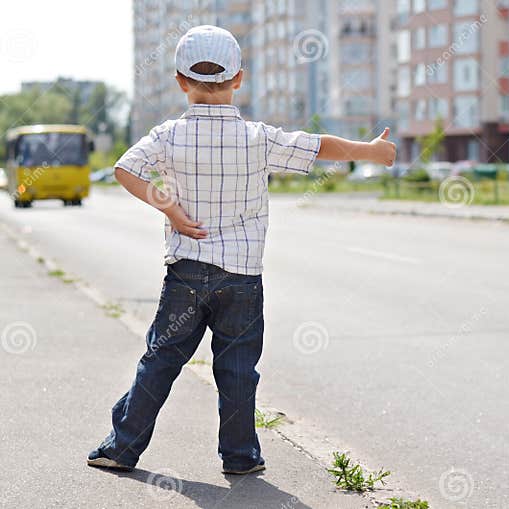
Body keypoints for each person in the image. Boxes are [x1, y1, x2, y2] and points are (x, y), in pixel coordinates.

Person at [87, 25, 396, 475]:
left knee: (161, 360)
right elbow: (318, 147)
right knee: (237, 371)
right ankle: (240, 456)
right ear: (239, 79)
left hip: (187, 274)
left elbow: (123, 168)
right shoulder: (259, 138)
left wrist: (171, 210)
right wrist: (369, 151)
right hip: (243, 280)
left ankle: (122, 448)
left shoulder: (168, 134)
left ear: (180, 80)